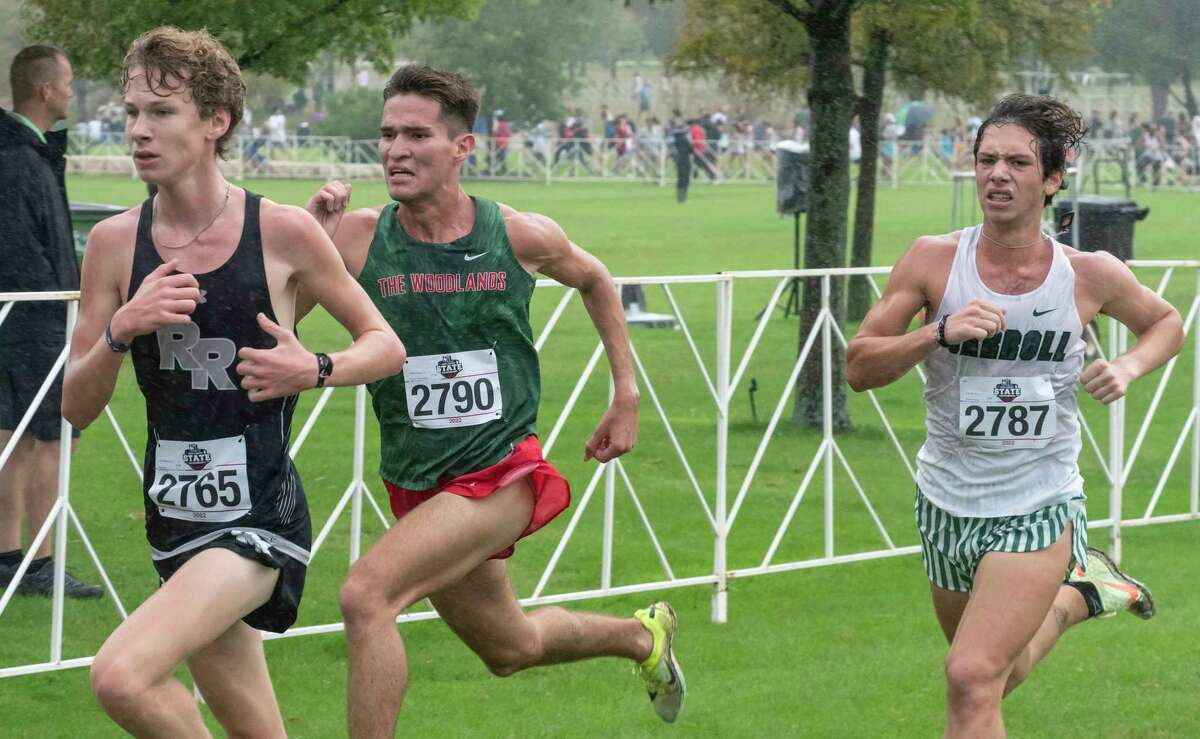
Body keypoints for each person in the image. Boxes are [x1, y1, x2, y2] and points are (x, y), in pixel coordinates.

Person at [302, 64, 684, 737]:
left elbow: (596, 279)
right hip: (418, 479)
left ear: (462, 148)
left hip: (500, 472)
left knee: (366, 596)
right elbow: (285, 316)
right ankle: (640, 637)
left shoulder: (516, 234)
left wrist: (626, 391)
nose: (395, 149)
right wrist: (313, 237)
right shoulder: (359, 237)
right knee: (510, 647)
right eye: (387, 134)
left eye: (417, 134)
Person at [61, 27, 405, 738]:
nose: (137, 131)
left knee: (121, 675)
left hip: (259, 519)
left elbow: (386, 344)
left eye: (161, 113)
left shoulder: (280, 231)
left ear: (216, 122)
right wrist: (121, 330)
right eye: (131, 113)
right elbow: (75, 404)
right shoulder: (113, 243)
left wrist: (311, 368)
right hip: (175, 519)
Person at [846, 93, 1184, 738]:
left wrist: (1127, 367)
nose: (997, 174)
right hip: (946, 499)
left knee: (970, 677)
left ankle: (1072, 581)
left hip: (1040, 500)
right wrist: (935, 334)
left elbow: (1166, 323)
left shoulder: (1088, 274)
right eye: (987, 160)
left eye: (1018, 163)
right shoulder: (932, 260)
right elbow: (859, 367)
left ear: (1054, 177)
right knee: (1001, 672)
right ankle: (1081, 596)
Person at [0, 45, 101, 598]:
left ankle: (9, 556)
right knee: (53, 433)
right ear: (45, 90)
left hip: (30, 318)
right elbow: (20, 255)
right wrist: (67, 316)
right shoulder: (18, 159)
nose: (71, 90)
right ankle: (35, 564)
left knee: (14, 435)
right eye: (68, 81)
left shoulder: (28, 154)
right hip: (34, 322)